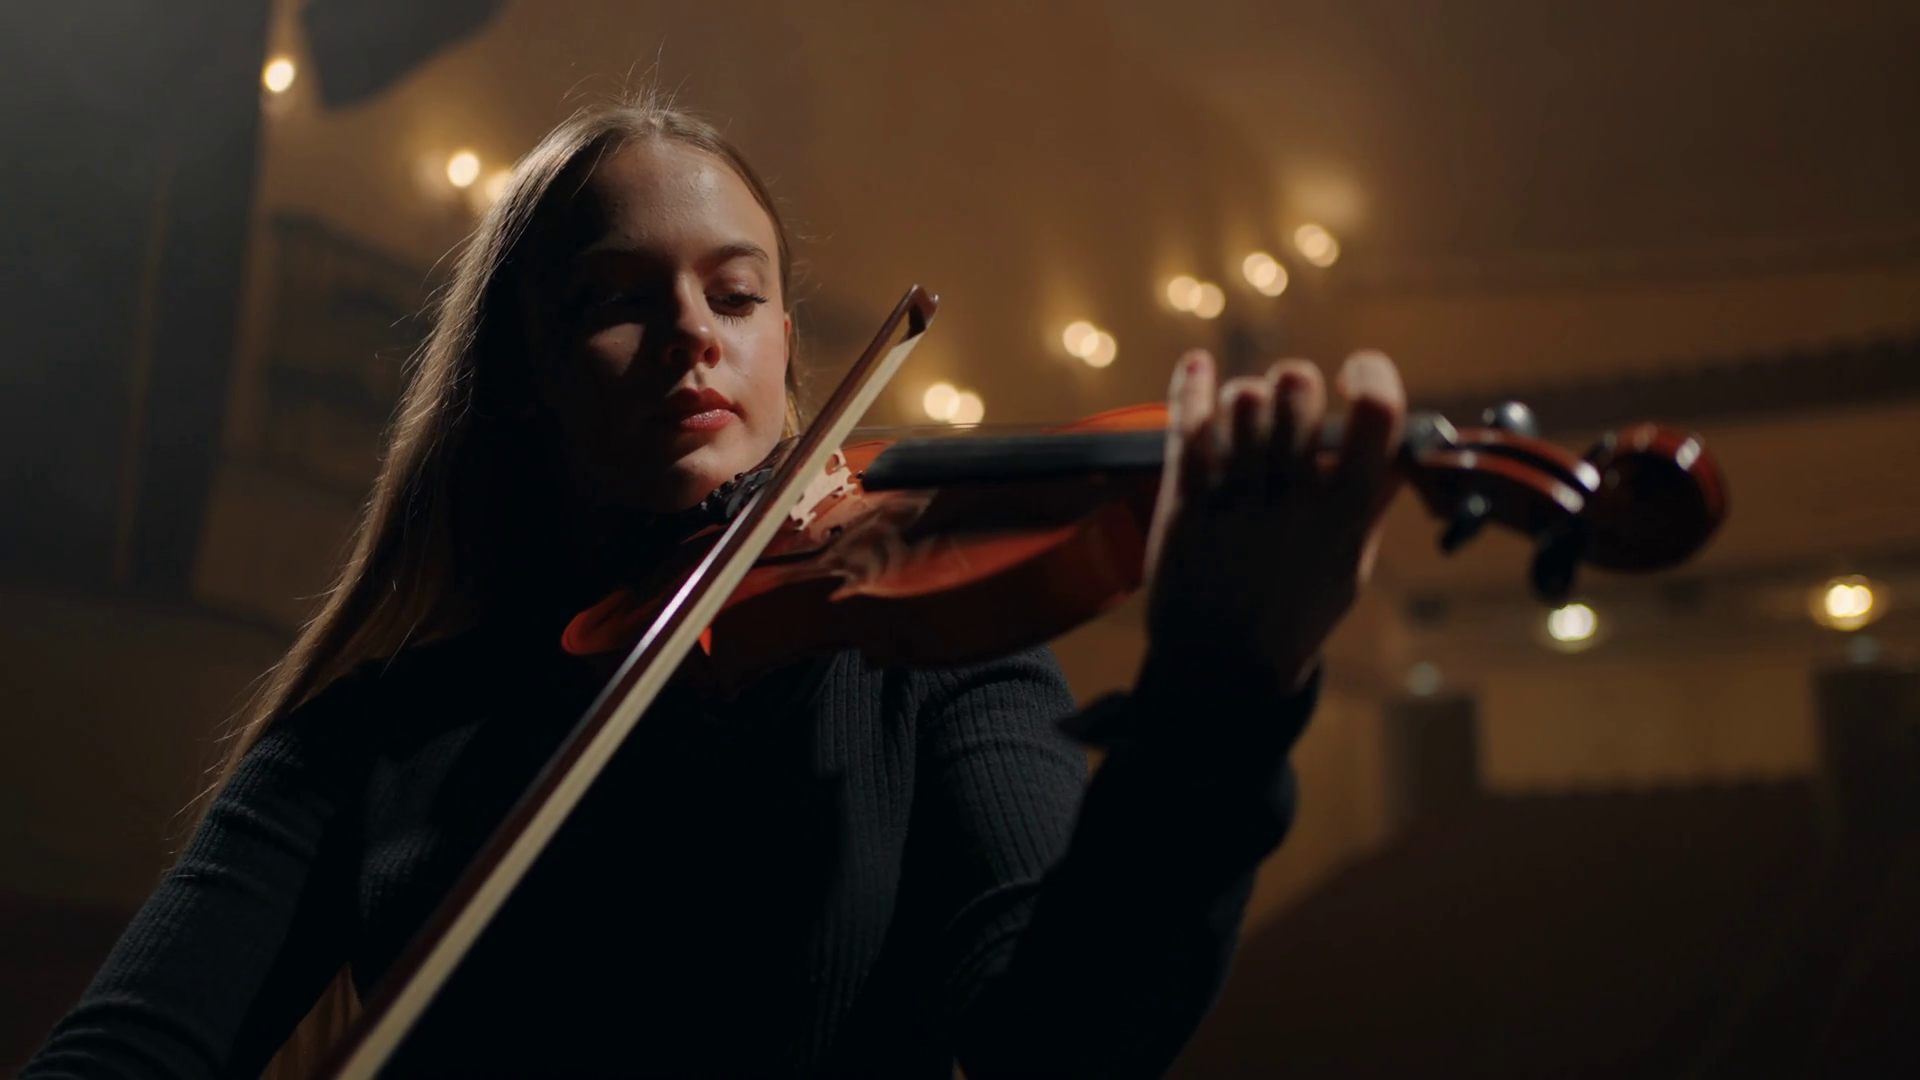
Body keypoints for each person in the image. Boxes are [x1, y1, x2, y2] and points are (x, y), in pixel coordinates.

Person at [21, 92, 1405, 1079]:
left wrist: (1223, 700)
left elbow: (1058, 1044)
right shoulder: (375, 741)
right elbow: (129, 1051)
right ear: (525, 382)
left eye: (735, 297)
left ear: (788, 350)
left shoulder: (925, 656)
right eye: (617, 302)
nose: (691, 331)